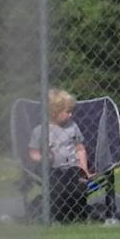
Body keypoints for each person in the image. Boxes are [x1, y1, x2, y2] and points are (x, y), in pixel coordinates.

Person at [28, 88, 92, 223]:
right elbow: (33, 152)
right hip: (52, 168)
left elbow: (80, 148)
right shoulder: (40, 130)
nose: (71, 115)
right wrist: (42, 158)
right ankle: (56, 215)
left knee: (79, 183)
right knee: (57, 184)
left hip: (72, 166)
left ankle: (79, 214)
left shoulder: (73, 127)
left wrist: (84, 169)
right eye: (67, 112)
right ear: (54, 112)